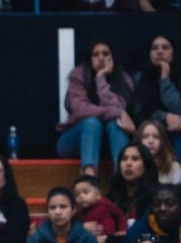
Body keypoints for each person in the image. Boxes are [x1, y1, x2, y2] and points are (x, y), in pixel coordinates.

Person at [57, 40, 135, 174]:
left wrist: (101, 79)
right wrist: (117, 112)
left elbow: (120, 107)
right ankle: (89, 179)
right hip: (75, 142)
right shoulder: (78, 75)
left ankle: (121, 181)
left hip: (110, 143)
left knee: (115, 124)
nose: (101, 58)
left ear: (112, 57)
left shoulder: (123, 78)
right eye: (95, 54)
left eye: (105, 54)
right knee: (92, 122)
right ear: (90, 58)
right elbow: (81, 110)